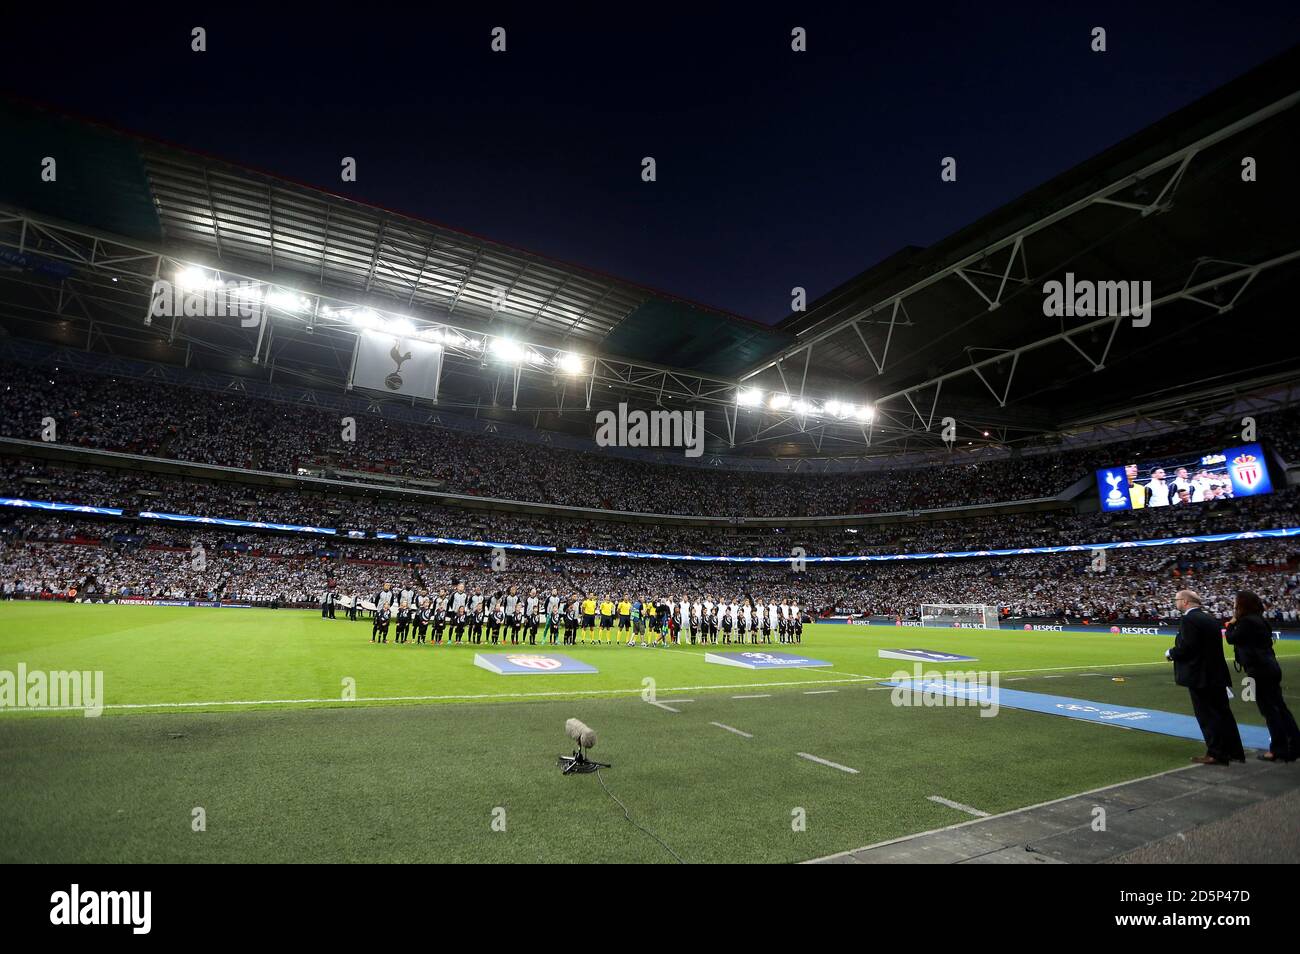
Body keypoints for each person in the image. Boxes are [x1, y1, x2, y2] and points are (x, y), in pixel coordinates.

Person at [1166, 589, 1244, 765]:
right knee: (1223, 714)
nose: (1175, 602)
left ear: (1185, 602)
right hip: (1217, 673)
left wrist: (1171, 653)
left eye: (1177, 599)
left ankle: (1216, 753)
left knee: (1207, 716)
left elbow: (1188, 648)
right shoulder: (1209, 618)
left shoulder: (1189, 619)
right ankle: (1234, 751)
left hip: (1200, 676)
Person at [1225, 591, 1300, 762]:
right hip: (1270, 667)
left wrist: (1231, 624)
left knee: (1269, 710)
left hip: (1259, 670)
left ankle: (1278, 749)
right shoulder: (1260, 620)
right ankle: (1294, 745)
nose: (1234, 605)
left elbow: (1231, 638)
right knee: (1280, 708)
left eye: (1236, 602)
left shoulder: (1245, 622)